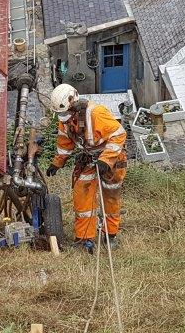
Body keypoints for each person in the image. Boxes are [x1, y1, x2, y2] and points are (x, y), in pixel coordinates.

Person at [44, 83, 127, 252]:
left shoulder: (96, 113)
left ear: (73, 103)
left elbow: (118, 135)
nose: (64, 117)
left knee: (110, 197)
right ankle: (84, 238)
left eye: (66, 112)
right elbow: (64, 143)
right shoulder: (66, 121)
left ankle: (110, 235)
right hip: (89, 159)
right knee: (82, 195)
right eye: (61, 114)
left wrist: (106, 160)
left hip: (112, 161)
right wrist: (57, 162)